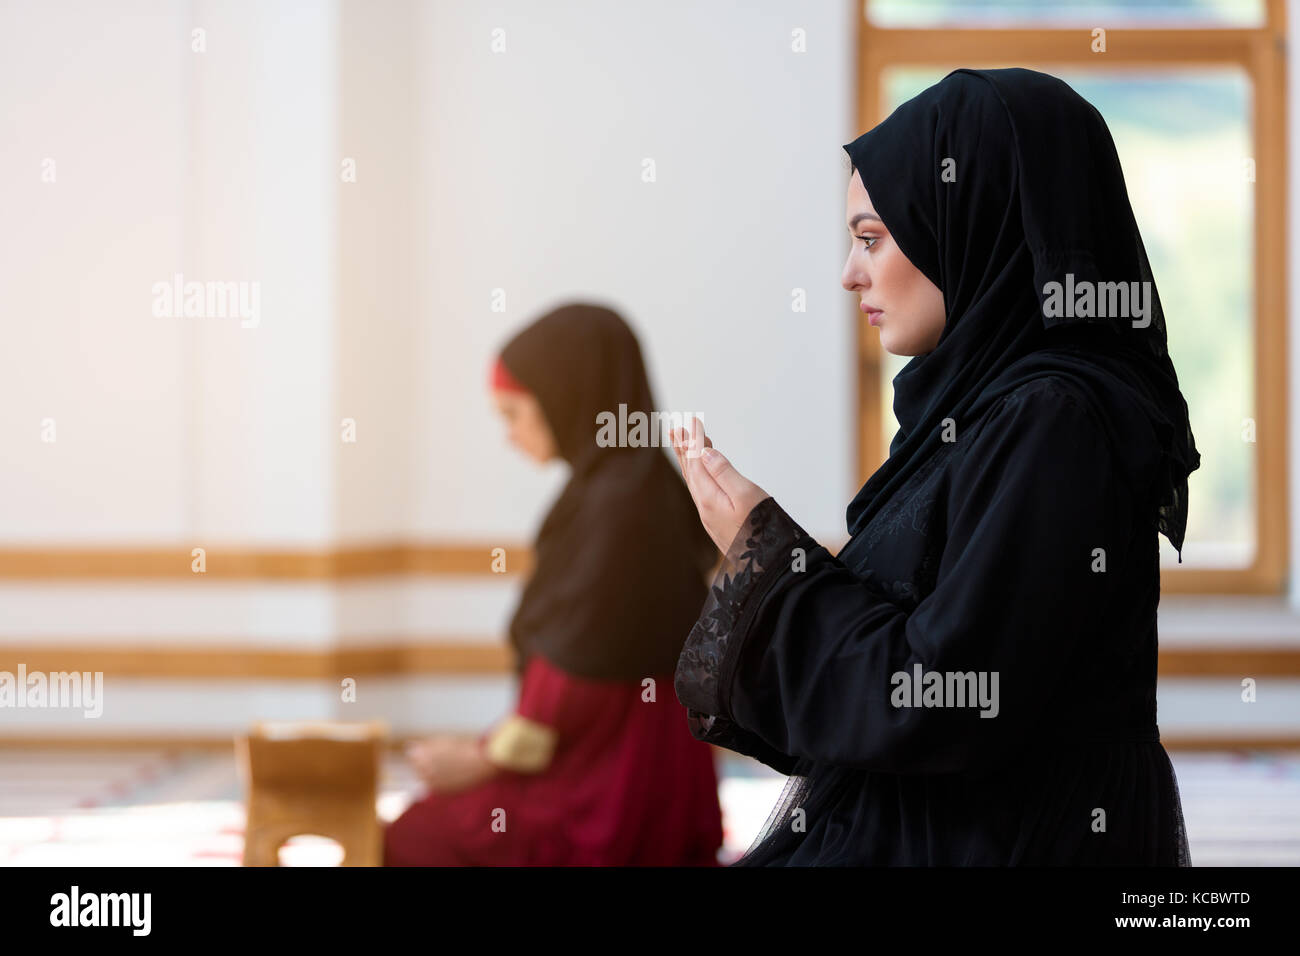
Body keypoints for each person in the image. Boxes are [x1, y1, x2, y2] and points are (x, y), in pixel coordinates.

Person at [669, 67, 1201, 866]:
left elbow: (945, 696)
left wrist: (764, 548)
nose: (850, 274)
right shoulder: (994, 415)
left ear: (967, 219)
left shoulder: (1055, 419)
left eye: (870, 237)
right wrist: (767, 550)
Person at [384, 302, 725, 866]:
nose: (510, 436)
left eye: (514, 413)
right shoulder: (636, 484)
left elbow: (574, 681)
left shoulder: (617, 507)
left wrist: (481, 758)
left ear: (569, 397)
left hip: (607, 793)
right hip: (648, 776)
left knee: (413, 837)